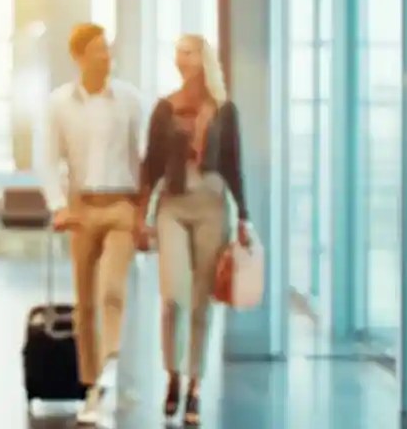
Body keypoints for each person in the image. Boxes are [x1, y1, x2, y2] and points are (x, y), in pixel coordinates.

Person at [137, 34, 252, 426]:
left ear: (202, 59)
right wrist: (142, 215)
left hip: (212, 206)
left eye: (186, 51)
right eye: (177, 52)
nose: (179, 58)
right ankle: (172, 375)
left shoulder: (224, 110)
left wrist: (244, 218)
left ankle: (195, 387)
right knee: (174, 297)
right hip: (172, 205)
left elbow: (234, 163)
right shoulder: (164, 108)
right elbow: (150, 164)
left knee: (202, 300)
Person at [43, 23, 144, 425]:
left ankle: (111, 368)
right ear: (80, 57)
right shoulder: (59, 104)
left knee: (111, 291)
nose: (107, 56)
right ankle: (91, 386)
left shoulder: (131, 100)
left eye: (108, 49)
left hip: (121, 204)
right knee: (85, 303)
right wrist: (57, 206)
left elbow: (146, 156)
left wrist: (144, 211)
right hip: (80, 207)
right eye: (99, 50)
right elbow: (48, 158)